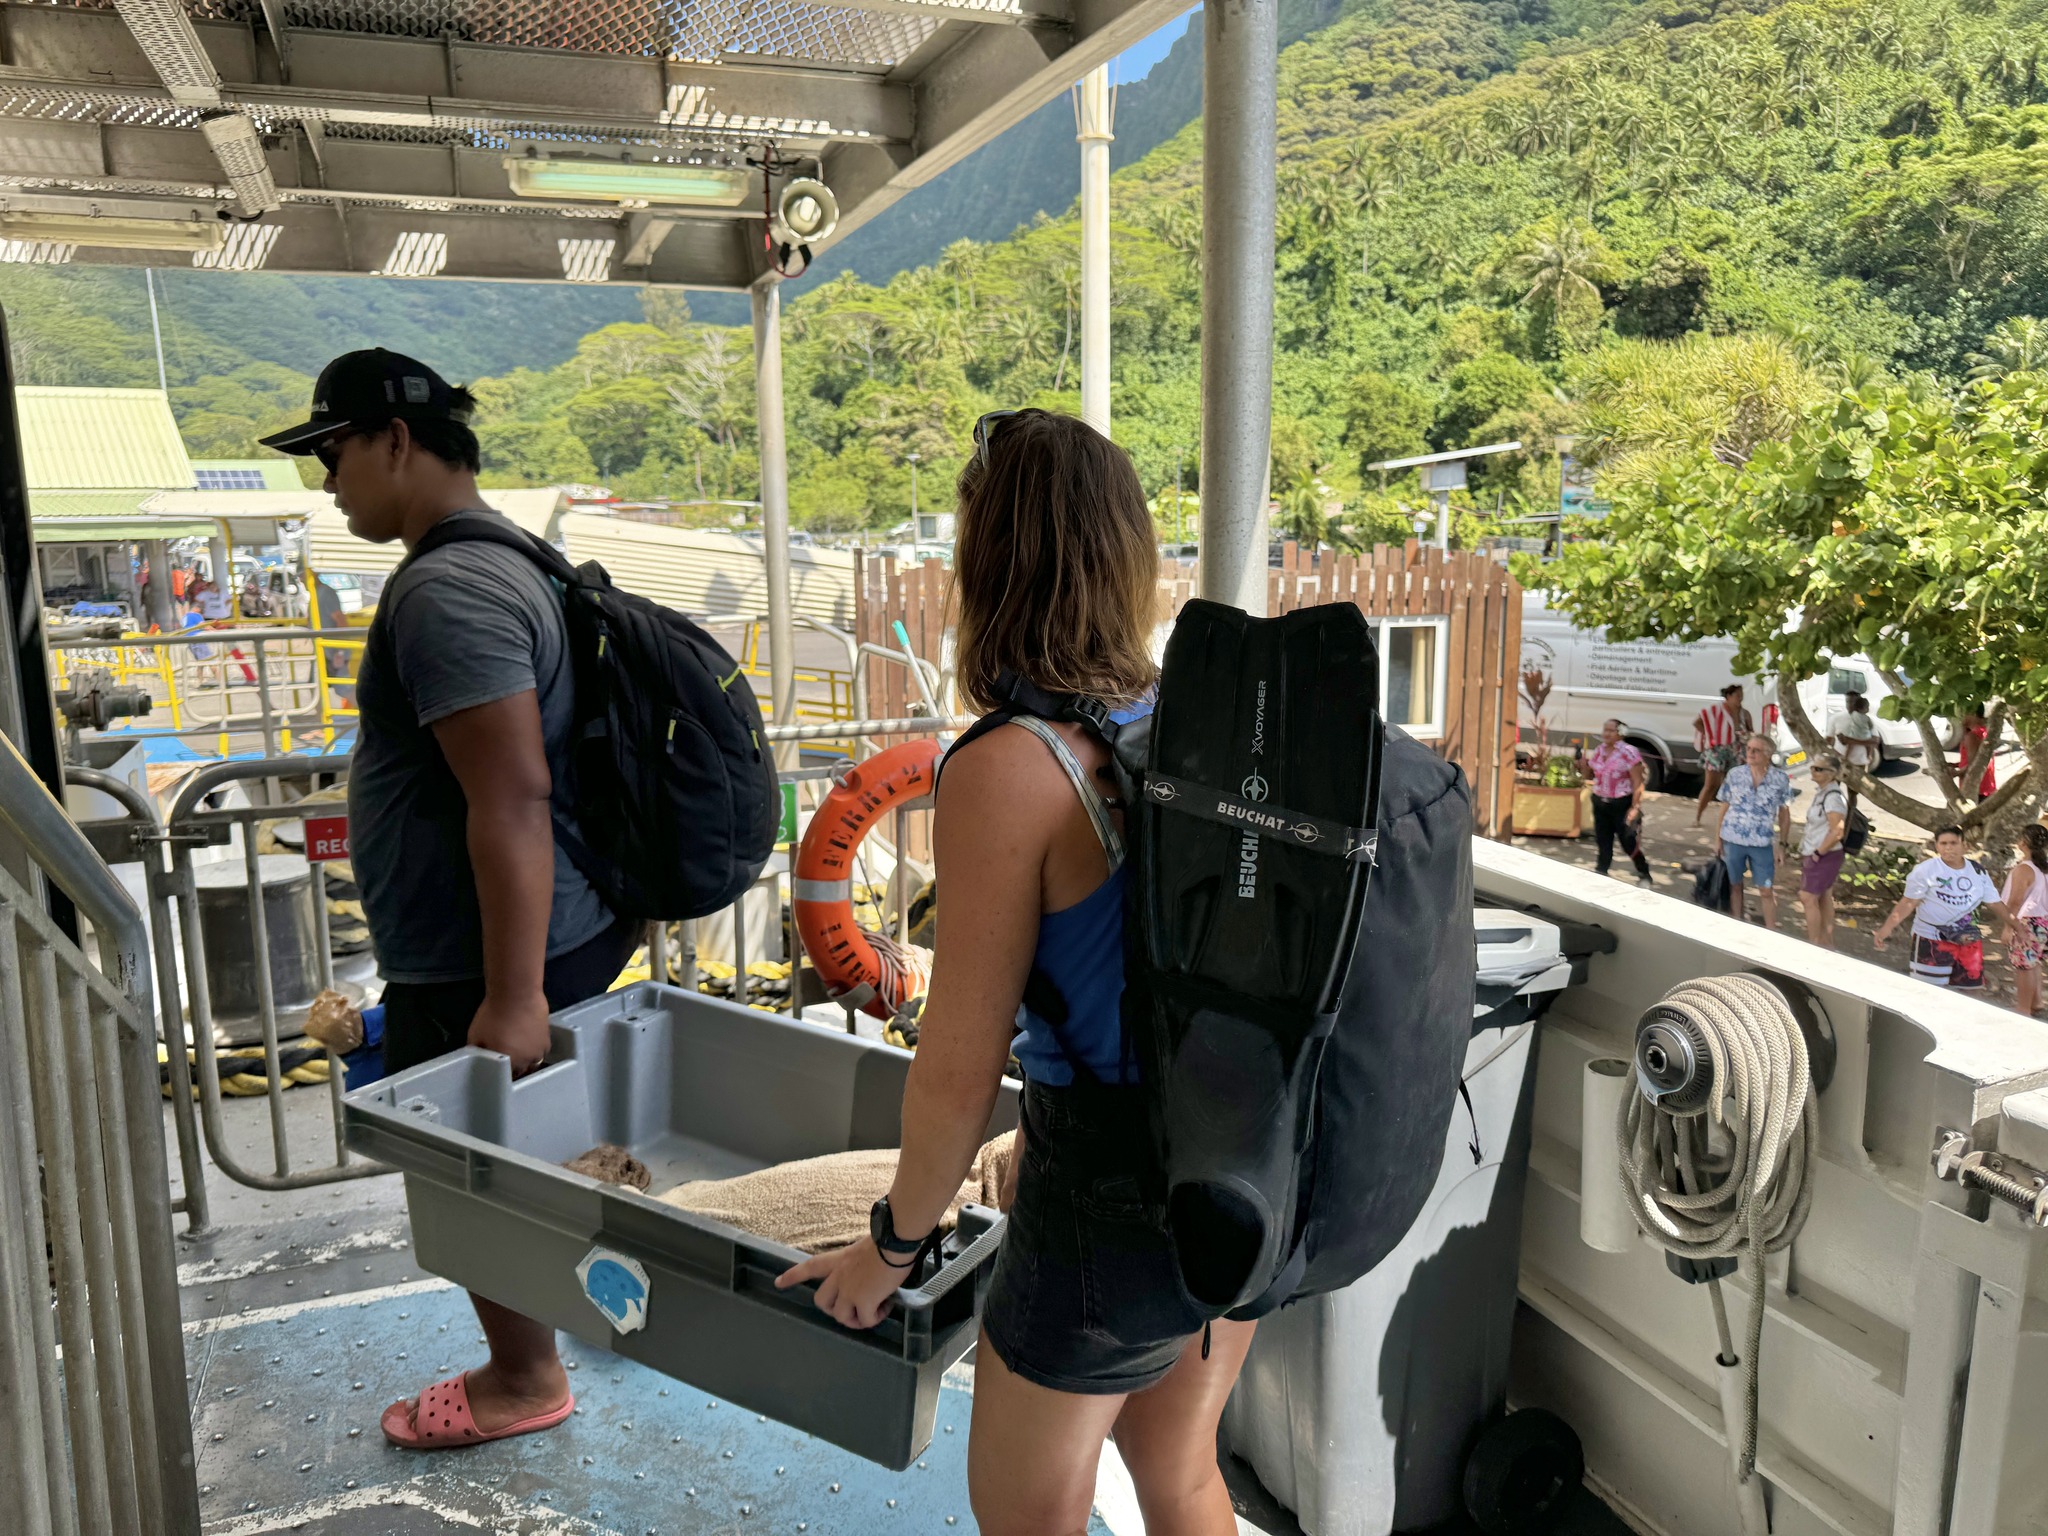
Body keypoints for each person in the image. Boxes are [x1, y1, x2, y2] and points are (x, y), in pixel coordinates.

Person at [777, 409, 1252, 1536]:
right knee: (1181, 1478)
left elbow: (957, 1066)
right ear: (1126, 557)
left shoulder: (1010, 766)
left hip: (1100, 1195)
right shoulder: (1190, 721)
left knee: (1030, 1517)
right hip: (1240, 1164)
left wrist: (887, 1247)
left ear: (985, 567)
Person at [258, 350, 638, 1449]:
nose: (325, 482)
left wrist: (511, 995)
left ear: (392, 440)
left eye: (330, 454)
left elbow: (510, 798)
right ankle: (551, 1339)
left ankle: (524, 1377)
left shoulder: (447, 591)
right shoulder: (512, 558)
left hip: (479, 960)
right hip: (516, 940)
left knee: (466, 1176)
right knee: (512, 1160)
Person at [1873, 826, 2010, 990]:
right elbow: (1908, 902)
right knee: (1928, 992)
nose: (1948, 848)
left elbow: (1994, 902)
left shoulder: (1977, 871)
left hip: (1968, 940)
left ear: (1965, 845)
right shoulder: (1925, 871)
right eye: (1943, 843)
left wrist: (2017, 927)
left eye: (1953, 843)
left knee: (1971, 991)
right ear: (1936, 846)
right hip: (1931, 940)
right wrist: (1887, 928)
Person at [1716, 733, 1796, 928]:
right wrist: (1717, 838)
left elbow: (1784, 815)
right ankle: (1737, 923)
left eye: (1756, 750)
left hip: (1761, 843)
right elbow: (1724, 807)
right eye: (1748, 749)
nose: (1750, 753)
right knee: (1735, 885)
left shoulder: (1780, 779)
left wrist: (1782, 845)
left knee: (1766, 889)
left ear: (1768, 754)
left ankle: (1771, 930)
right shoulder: (1735, 774)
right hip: (1732, 838)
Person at [1583, 719, 1653, 887]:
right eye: (1604, 729)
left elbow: (1638, 782)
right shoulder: (1599, 750)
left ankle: (1644, 872)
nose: (1606, 734)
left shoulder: (1629, 752)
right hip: (1600, 801)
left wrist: (1635, 807)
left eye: (1611, 730)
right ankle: (1601, 871)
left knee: (1628, 841)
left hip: (1621, 803)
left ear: (1620, 732)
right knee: (1602, 840)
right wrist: (1582, 764)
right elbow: (1589, 775)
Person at [1797, 753, 1850, 948]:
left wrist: (1818, 853)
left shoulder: (1833, 797)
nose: (1813, 771)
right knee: (1824, 896)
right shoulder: (1824, 792)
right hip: (1820, 852)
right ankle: (1826, 943)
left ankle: (1815, 943)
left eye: (1818, 769)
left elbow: (1837, 831)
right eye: (1812, 767)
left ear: (1832, 773)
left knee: (1808, 897)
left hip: (1824, 854)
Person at [2002, 824, 2048, 1017]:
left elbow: (2015, 901)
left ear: (2023, 843)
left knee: (2023, 966)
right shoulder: (2043, 867)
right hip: (2043, 920)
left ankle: (2023, 1008)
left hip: (2027, 922)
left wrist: (2008, 926)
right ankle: (2036, 1002)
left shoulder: (2024, 869)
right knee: (2034, 962)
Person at [1694, 683, 1752, 826]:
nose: (1741, 698)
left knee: (1735, 786)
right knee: (1711, 785)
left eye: (1741, 695)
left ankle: (1730, 818)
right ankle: (1698, 817)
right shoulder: (1714, 710)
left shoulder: (1745, 714)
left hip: (1737, 752)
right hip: (1716, 752)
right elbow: (1698, 723)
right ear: (1728, 696)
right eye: (1738, 695)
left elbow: (1751, 731)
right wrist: (1712, 735)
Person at [1829, 691, 1880, 814]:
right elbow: (1829, 740)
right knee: (1832, 791)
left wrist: (1850, 740)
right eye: (1848, 701)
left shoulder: (1866, 720)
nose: (1850, 704)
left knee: (1853, 794)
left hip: (1859, 763)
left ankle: (1851, 819)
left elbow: (1875, 741)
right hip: (1839, 762)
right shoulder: (1836, 718)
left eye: (1853, 701)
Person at [1955, 706, 1996, 801]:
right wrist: (1956, 765)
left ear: (1973, 714)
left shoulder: (1972, 736)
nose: (1961, 717)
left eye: (1964, 714)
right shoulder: (1985, 732)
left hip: (1975, 789)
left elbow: (1973, 765)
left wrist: (1956, 773)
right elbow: (1978, 758)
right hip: (1987, 787)